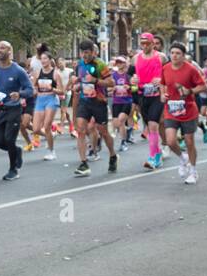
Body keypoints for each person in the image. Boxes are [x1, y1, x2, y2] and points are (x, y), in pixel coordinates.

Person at [0, 40, 34, 180]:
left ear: (10, 51)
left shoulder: (18, 70)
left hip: (14, 109)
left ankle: (13, 169)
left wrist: (20, 94)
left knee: (10, 139)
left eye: (3, 48)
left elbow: (30, 90)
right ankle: (17, 151)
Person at [160, 42, 207, 185]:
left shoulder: (191, 70)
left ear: (183, 55)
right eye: (172, 52)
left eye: (178, 53)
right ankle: (182, 158)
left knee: (189, 142)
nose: (174, 55)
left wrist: (190, 91)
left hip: (188, 110)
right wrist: (162, 94)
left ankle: (193, 171)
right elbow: (162, 84)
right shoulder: (165, 68)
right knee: (170, 141)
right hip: (171, 110)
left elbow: (203, 86)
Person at [71, 40, 117, 176]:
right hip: (84, 101)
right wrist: (77, 84)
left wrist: (96, 80)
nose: (84, 55)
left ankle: (113, 155)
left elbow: (111, 83)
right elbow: (82, 79)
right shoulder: (79, 64)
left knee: (103, 132)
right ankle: (83, 163)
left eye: (87, 53)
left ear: (92, 52)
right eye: (82, 53)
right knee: (80, 130)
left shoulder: (100, 64)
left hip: (99, 102)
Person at [134, 32, 165, 169]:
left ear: (153, 43)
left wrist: (161, 80)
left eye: (147, 43)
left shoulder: (161, 57)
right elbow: (130, 75)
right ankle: (157, 154)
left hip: (157, 96)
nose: (144, 46)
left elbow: (170, 72)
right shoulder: (136, 58)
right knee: (148, 125)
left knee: (153, 125)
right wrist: (132, 79)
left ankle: (152, 157)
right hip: (143, 95)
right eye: (142, 43)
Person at [31, 51, 62, 160]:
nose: (43, 61)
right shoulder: (37, 73)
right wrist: (34, 91)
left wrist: (53, 89)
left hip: (51, 100)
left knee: (47, 126)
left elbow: (61, 91)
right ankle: (50, 136)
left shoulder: (55, 73)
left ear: (50, 60)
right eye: (42, 59)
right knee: (35, 129)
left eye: (45, 59)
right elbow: (34, 87)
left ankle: (51, 151)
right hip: (40, 100)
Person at [109, 56, 136, 152]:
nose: (119, 64)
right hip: (116, 102)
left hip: (126, 102)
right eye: (118, 62)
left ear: (125, 64)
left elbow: (135, 88)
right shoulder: (113, 76)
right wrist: (113, 89)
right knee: (116, 123)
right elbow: (108, 89)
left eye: (121, 62)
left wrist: (129, 88)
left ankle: (123, 142)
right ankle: (127, 132)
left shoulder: (128, 76)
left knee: (120, 121)